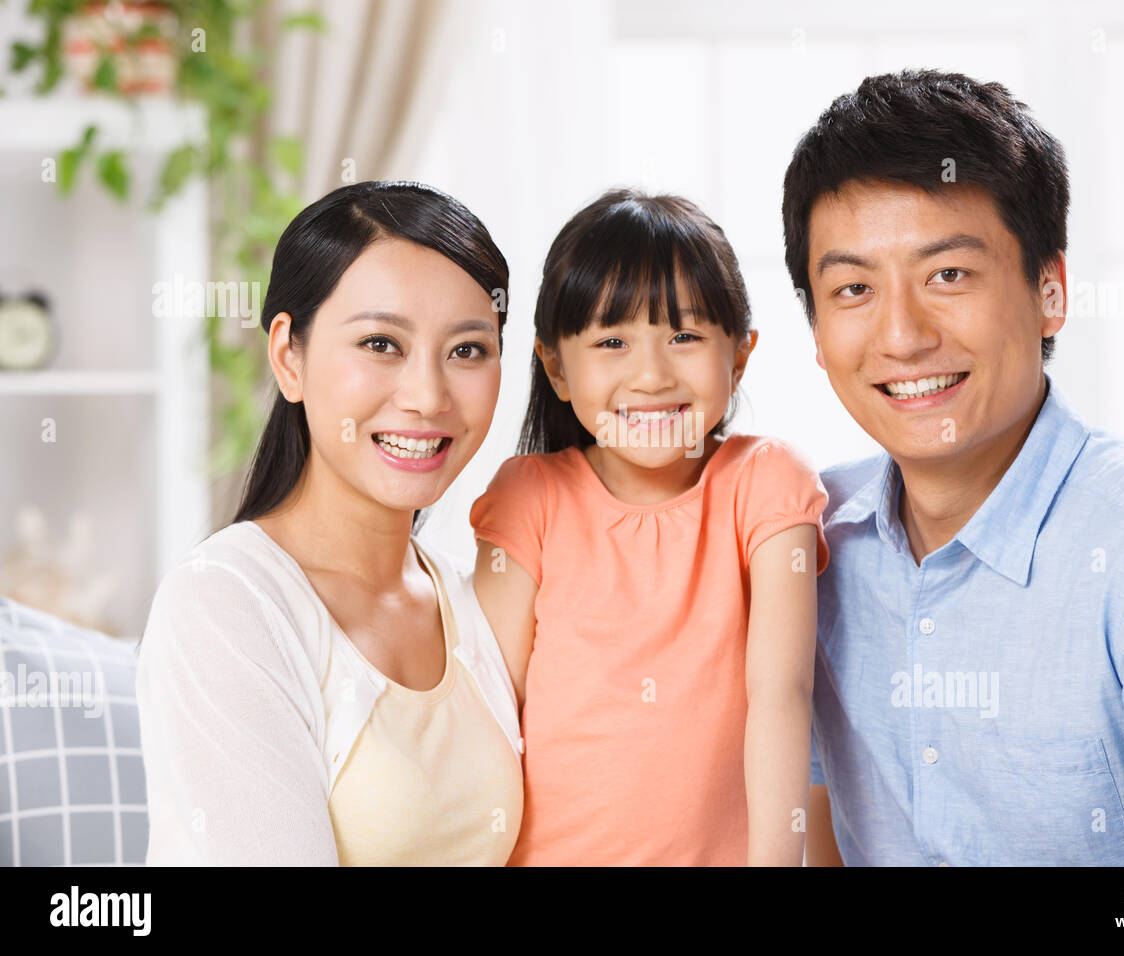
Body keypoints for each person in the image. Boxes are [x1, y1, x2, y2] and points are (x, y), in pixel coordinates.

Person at [784, 70, 1124, 866]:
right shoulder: (809, 539)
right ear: (816, 333)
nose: (902, 335)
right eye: (853, 288)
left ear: (1050, 291)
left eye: (947, 275)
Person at [136, 181, 524, 865]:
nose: (428, 396)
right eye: (381, 343)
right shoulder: (226, 606)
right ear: (289, 355)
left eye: (467, 350)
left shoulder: (476, 602)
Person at [469, 189, 829, 865]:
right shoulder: (531, 498)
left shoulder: (766, 486)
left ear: (740, 356)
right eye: (612, 341)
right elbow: (484, 708)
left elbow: (783, 694)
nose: (651, 374)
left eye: (685, 337)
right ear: (556, 367)